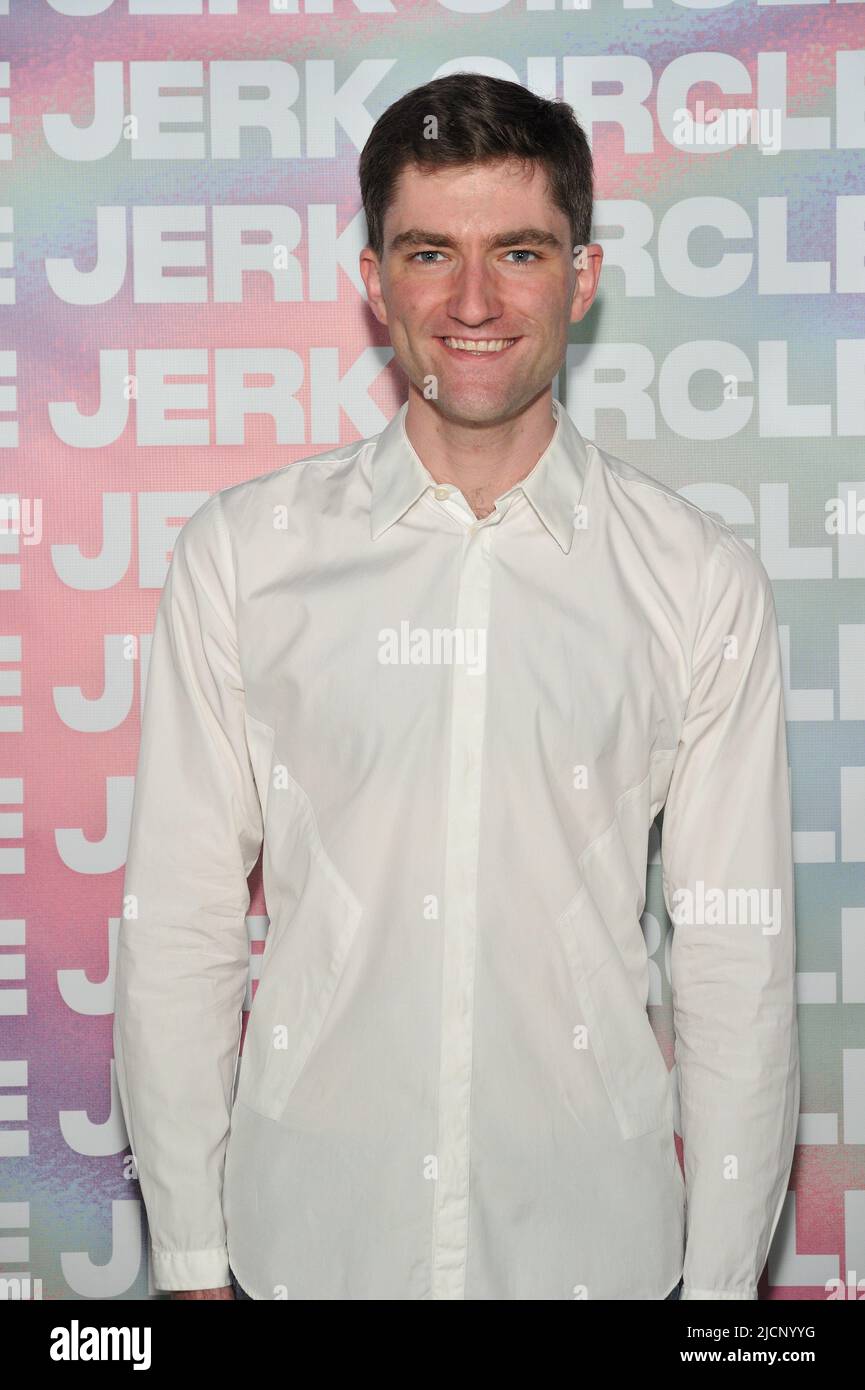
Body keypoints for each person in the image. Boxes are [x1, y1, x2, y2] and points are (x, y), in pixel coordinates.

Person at [112, 73, 800, 1301]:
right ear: (375, 282)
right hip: (301, 1257)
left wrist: (720, 1294)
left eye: (518, 251)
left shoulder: (697, 581)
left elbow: (733, 961)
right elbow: (182, 927)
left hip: (598, 1256)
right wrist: (194, 1262)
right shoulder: (242, 556)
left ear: (580, 278)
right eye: (430, 252)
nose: (473, 302)